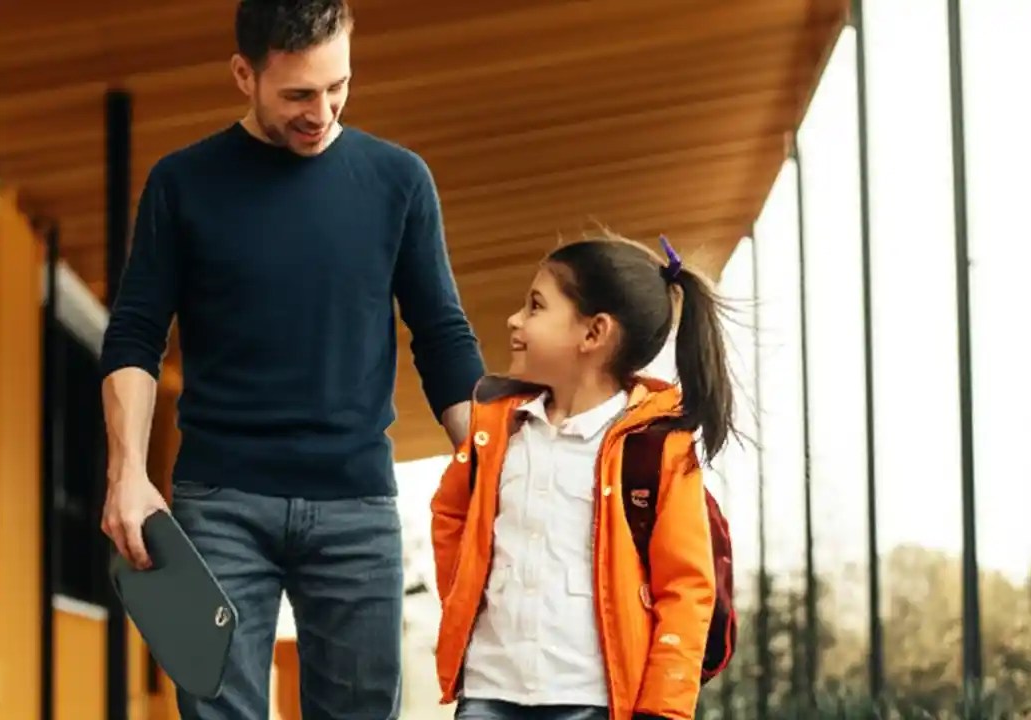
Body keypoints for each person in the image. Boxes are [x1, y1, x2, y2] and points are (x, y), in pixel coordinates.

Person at [97, 0, 485, 717]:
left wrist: (488, 473)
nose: (323, 111)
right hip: (219, 506)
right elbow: (133, 335)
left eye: (338, 86)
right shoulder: (182, 184)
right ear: (244, 74)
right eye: (298, 94)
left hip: (357, 505)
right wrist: (126, 475)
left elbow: (443, 337)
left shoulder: (400, 181)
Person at [429, 235, 737, 720]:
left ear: (593, 334)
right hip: (489, 692)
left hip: (592, 700)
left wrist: (662, 710)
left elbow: (686, 589)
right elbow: (451, 511)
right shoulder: (497, 429)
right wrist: (464, 595)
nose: (515, 319)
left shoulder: (657, 449)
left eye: (535, 306)